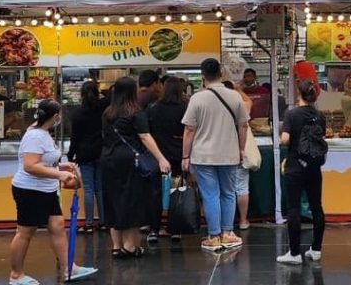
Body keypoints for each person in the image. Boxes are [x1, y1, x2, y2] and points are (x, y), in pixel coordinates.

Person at [8, 99, 95, 285]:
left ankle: (69, 268)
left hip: (46, 189)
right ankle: (16, 274)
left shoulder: (42, 133)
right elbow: (30, 166)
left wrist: (60, 166)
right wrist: (60, 174)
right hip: (30, 190)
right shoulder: (36, 136)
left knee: (57, 226)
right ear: (55, 116)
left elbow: (42, 161)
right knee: (25, 232)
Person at [182, 58, 249, 254]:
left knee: (210, 194)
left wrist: (185, 156)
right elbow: (243, 125)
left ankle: (214, 236)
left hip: (203, 155)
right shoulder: (235, 96)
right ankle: (228, 233)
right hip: (229, 153)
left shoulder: (197, 99)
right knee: (228, 192)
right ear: (221, 75)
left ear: (203, 77)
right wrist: (241, 148)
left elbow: (189, 130)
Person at [102, 77, 172, 258]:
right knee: (132, 201)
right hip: (130, 161)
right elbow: (145, 137)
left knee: (114, 202)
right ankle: (130, 245)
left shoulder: (107, 113)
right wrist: (161, 158)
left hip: (109, 160)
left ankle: (116, 247)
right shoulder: (135, 112)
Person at [278, 79, 327, 265]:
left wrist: (285, 134)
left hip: (295, 167)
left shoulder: (291, 114)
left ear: (299, 94)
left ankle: (294, 252)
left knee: (294, 208)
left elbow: (285, 140)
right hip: (314, 167)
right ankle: (316, 249)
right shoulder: (320, 115)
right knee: (316, 206)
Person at [148, 77, 190, 241]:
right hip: (179, 154)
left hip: (157, 156)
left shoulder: (153, 108)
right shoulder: (185, 108)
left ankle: (154, 229)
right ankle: (175, 229)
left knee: (155, 194)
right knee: (177, 192)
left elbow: (147, 132)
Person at [66, 81, 105, 234]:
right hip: (101, 152)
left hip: (84, 153)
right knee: (100, 189)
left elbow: (75, 137)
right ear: (97, 93)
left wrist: (70, 155)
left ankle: (89, 223)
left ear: (81, 95)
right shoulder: (103, 109)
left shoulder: (77, 114)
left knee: (88, 189)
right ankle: (103, 222)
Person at [221, 79, 254, 232]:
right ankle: (242, 220)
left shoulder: (213, 106)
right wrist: (238, 89)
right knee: (241, 187)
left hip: (219, 153)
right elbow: (249, 102)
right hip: (237, 151)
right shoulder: (239, 105)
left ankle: (224, 224)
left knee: (221, 188)